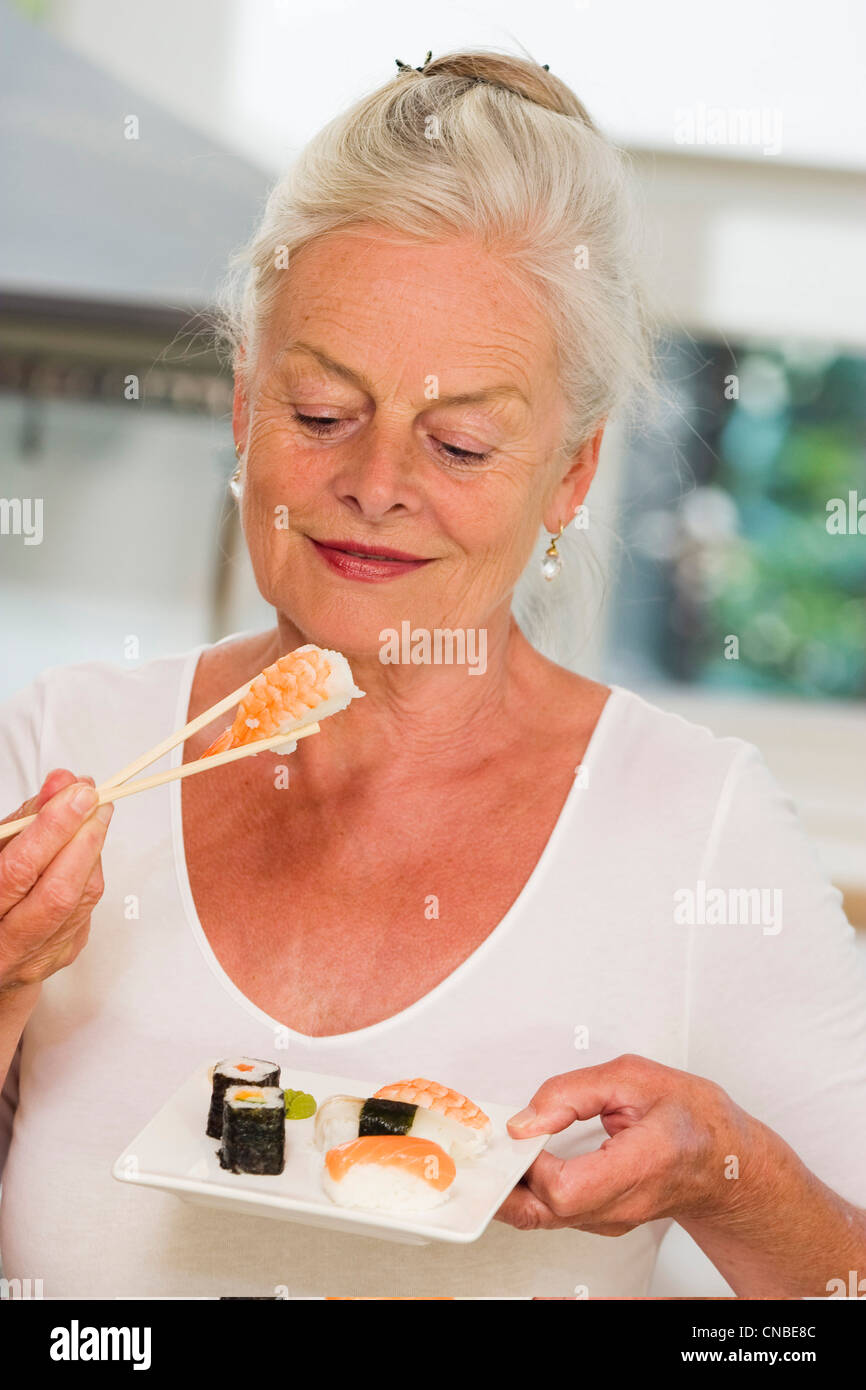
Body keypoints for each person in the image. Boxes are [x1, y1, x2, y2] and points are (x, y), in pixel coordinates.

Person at [1, 51, 864, 1299]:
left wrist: (730, 1173)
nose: (377, 483)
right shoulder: (66, 752)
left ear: (569, 474)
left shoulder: (700, 836)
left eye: (458, 440)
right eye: (317, 412)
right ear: (243, 405)